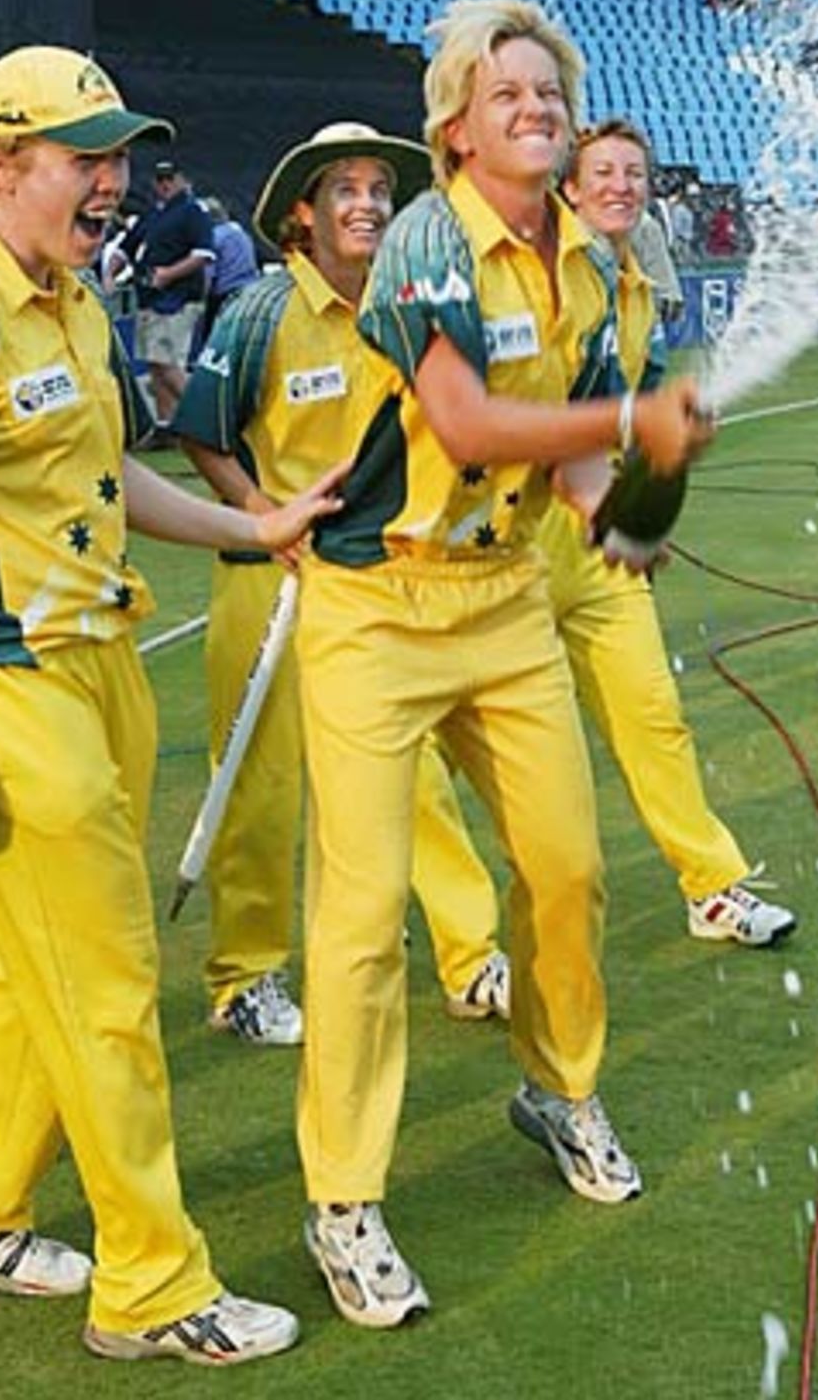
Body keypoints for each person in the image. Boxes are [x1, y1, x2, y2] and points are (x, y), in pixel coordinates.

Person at [0, 44, 345, 1367]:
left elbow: (117, 478)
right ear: (0, 165)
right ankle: (150, 1282)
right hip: (9, 687)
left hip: (100, 667)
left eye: (119, 154)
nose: (113, 182)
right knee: (113, 989)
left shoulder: (73, 298)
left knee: (32, 973)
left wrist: (258, 525)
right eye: (87, 157)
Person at [293, 0, 711, 1330]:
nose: (536, 108)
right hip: (374, 609)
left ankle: (561, 1088)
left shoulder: (582, 259)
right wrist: (635, 413)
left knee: (572, 870)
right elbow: (468, 421)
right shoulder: (425, 237)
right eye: (509, 93)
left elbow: (571, 450)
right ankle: (343, 1194)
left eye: (550, 92)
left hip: (507, 600)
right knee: (362, 924)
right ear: (457, 126)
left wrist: (617, 500)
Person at [173, 123, 509, 1047]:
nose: (366, 204)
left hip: (387, 581)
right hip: (269, 580)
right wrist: (262, 512)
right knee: (262, 784)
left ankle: (469, 955)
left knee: (417, 775)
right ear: (303, 214)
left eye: (377, 189)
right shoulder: (257, 311)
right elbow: (202, 430)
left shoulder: (411, 305)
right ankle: (245, 974)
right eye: (345, 190)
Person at [550, 120, 796, 945]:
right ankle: (464, 943)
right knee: (453, 747)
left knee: (653, 712)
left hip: (597, 548)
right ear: (570, 189)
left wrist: (656, 469)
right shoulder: (536, 275)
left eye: (634, 174)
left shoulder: (633, 286)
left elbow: (637, 409)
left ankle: (714, 886)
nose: (621, 185)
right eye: (604, 173)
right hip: (510, 546)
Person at [119, 159, 213, 425]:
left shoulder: (193, 211)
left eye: (170, 178)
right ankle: (166, 425)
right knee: (155, 363)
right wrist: (110, 274)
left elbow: (204, 254)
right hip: (150, 297)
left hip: (178, 299)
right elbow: (125, 247)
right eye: (160, 179)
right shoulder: (154, 214)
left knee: (168, 365)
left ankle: (211, 421)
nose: (164, 184)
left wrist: (168, 274)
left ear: (183, 180)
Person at [189, 197, 259, 361]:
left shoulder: (212, 239)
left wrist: (201, 302)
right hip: (251, 293)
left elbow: (208, 276)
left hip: (224, 297)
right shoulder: (241, 234)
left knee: (212, 343)